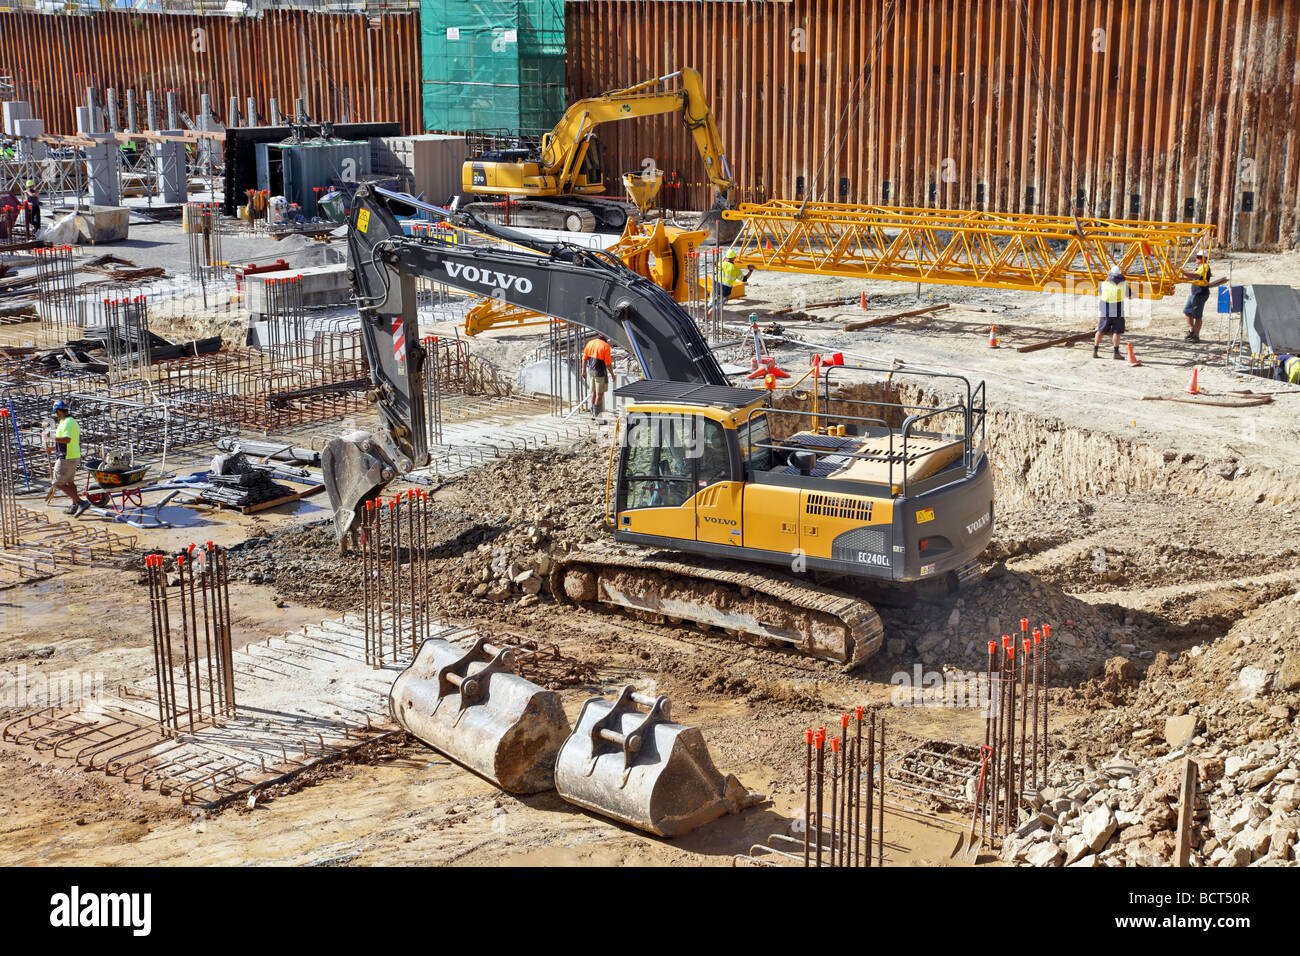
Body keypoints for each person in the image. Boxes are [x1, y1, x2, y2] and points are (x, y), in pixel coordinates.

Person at [49, 400, 89, 516]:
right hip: (73, 455)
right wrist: (53, 448)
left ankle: (81, 502)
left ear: (60, 411)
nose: (56, 415)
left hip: (66, 458)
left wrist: (50, 437)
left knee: (57, 483)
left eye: (57, 412)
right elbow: (65, 441)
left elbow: (67, 440)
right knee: (70, 483)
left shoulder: (67, 423)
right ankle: (74, 505)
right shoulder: (69, 421)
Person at [1179, 251, 1225, 342]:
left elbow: (1195, 275)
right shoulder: (1198, 267)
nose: (1197, 258)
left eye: (1199, 257)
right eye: (1197, 256)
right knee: (1187, 312)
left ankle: (1196, 336)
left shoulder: (1205, 266)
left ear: (1203, 258)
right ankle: (1192, 331)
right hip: (1194, 294)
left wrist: (1183, 272)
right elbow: (1191, 277)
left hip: (1200, 294)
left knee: (1197, 316)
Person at [707, 248, 754, 322]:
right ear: (734, 258)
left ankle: (704, 318)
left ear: (727, 257)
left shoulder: (721, 264)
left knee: (710, 304)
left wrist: (716, 265)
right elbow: (744, 279)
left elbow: (715, 273)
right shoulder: (735, 269)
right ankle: (709, 320)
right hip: (724, 291)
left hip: (716, 287)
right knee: (717, 307)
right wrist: (750, 271)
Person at [1095, 266, 1130, 360]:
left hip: (1104, 311)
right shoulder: (1124, 285)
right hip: (1117, 312)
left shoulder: (1103, 284)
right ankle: (1116, 353)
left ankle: (1095, 351)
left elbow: (1100, 293)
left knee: (1100, 331)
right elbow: (1130, 296)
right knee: (1116, 332)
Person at [581, 333, 613, 418]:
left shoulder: (590, 343)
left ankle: (593, 413)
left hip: (591, 372)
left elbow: (584, 358)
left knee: (594, 393)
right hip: (600, 373)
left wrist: (583, 371)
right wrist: (612, 374)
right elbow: (608, 363)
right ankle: (598, 417)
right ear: (605, 336)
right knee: (599, 395)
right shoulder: (605, 346)